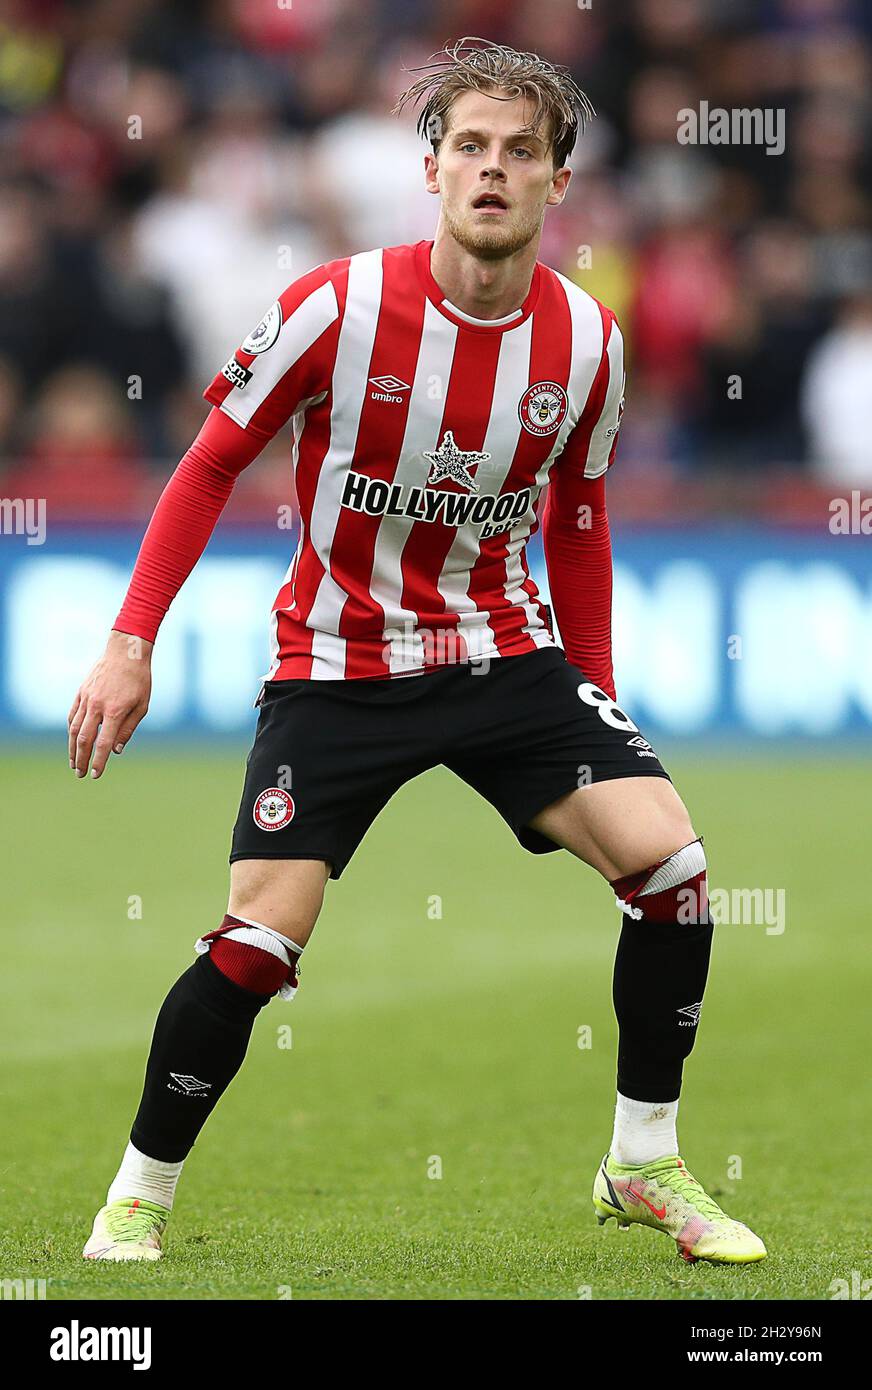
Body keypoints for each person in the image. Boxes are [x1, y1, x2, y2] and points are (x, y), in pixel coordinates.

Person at [69, 38, 765, 1267]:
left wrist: (589, 679)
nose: (492, 171)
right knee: (256, 943)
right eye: (470, 149)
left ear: (558, 183)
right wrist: (131, 643)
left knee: (675, 872)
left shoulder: (589, 347)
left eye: (521, 152)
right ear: (432, 170)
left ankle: (642, 1160)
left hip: (507, 660)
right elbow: (210, 461)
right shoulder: (333, 307)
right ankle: (138, 1189)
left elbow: (581, 521)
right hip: (339, 665)